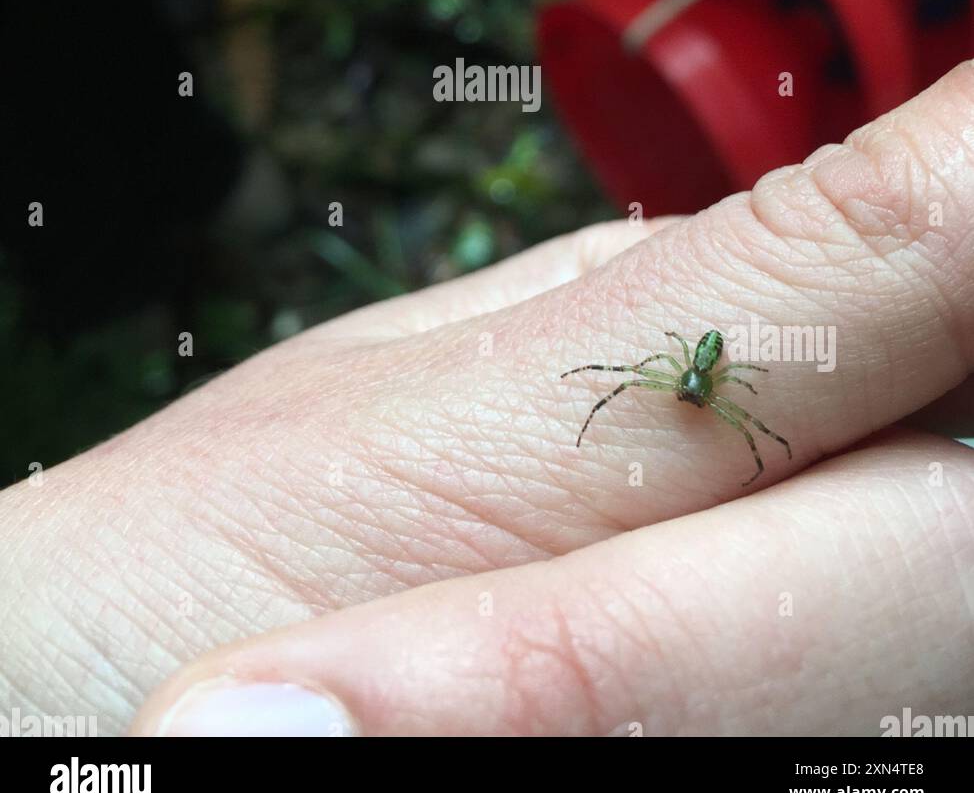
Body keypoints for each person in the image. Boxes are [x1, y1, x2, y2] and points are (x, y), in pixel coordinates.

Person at [1, 65, 972, 735]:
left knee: (746, 432)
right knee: (610, 392)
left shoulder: (719, 381)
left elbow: (739, 387)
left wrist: (752, 438)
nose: (690, 389)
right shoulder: (672, 368)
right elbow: (652, 362)